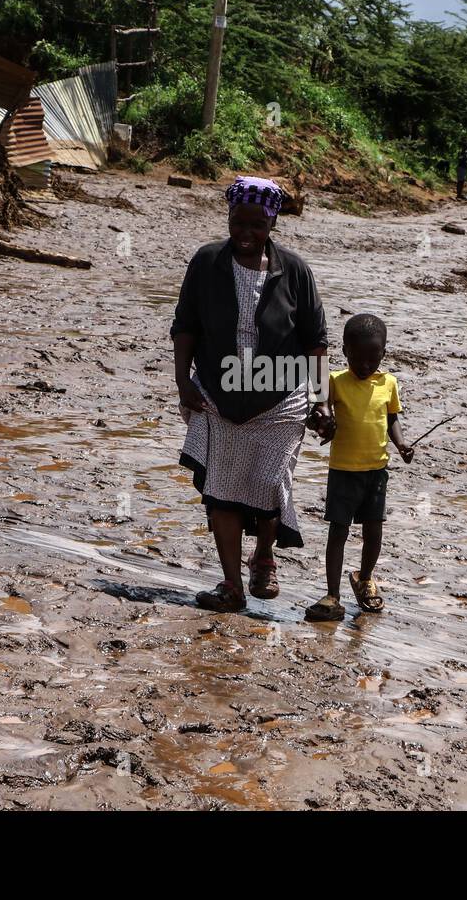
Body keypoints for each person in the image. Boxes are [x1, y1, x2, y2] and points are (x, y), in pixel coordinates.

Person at [172, 176, 328, 612]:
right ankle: (230, 585)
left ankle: (263, 556)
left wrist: (321, 400)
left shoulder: (294, 270)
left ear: (272, 224)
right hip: (218, 394)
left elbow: (316, 340)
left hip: (278, 395)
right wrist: (183, 381)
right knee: (221, 488)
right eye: (237, 222)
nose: (245, 233)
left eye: (256, 225)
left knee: (269, 482)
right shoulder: (206, 262)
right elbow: (186, 326)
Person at [304, 314, 413, 621]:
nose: (366, 365)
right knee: (338, 532)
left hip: (377, 471)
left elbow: (392, 420)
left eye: (373, 358)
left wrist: (401, 445)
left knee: (374, 532)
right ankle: (332, 595)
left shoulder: (388, 383)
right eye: (359, 358)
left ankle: (364, 579)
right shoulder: (336, 381)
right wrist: (322, 420)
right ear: (345, 351)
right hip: (343, 471)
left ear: (384, 353)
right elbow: (319, 410)